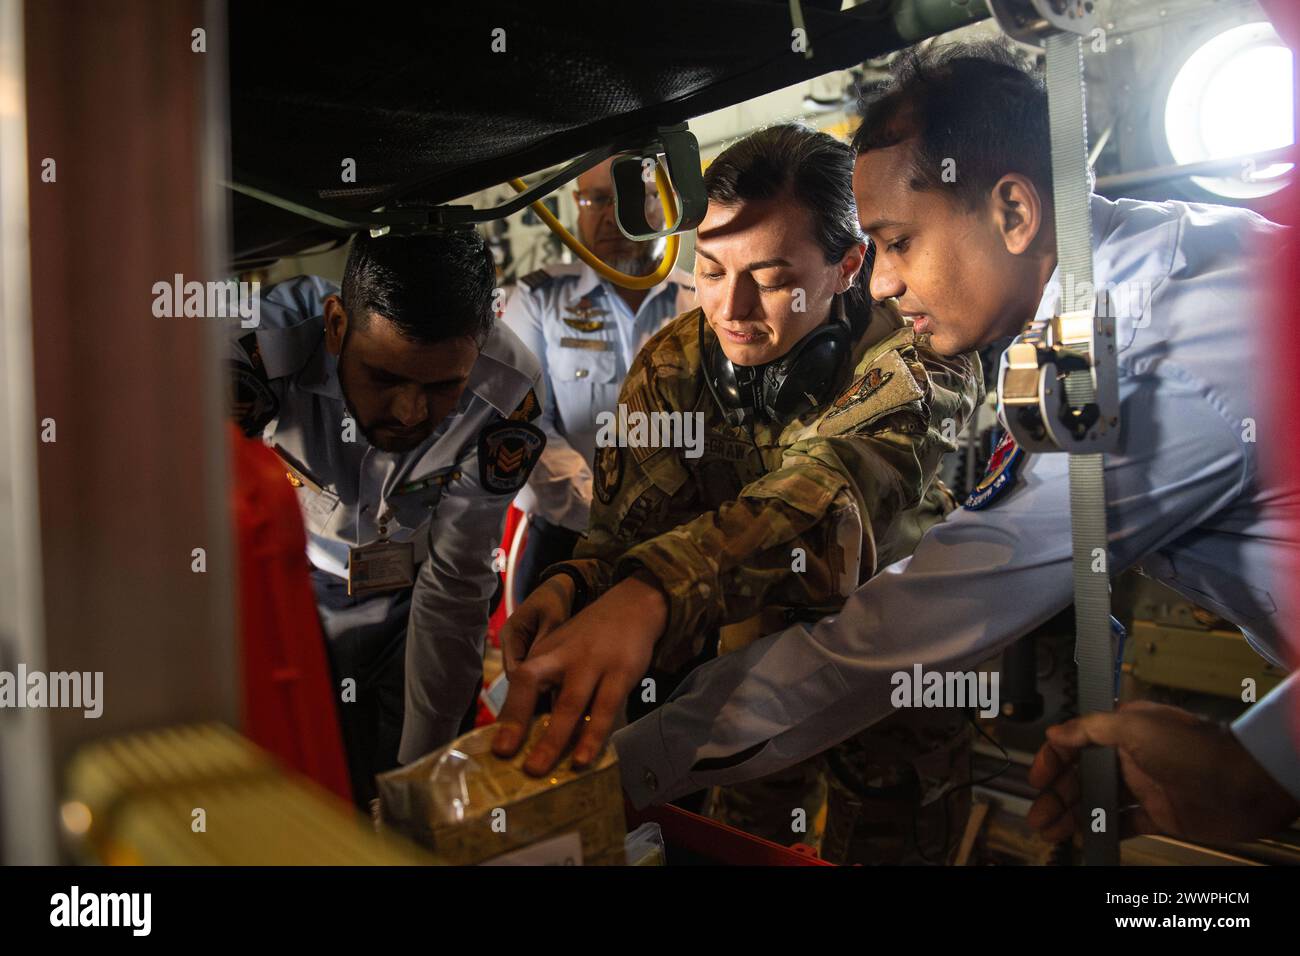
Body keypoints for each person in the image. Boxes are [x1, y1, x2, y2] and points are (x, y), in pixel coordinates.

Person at [512, 39, 1300, 847]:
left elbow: (922, 613)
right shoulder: (1141, 276)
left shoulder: (1139, 356)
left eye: (898, 243)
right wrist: (1262, 766)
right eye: (711, 272)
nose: (883, 282)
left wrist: (624, 766)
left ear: (1015, 213)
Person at [495, 124, 982, 860]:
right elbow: (626, 526)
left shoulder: (920, 350)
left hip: (900, 668)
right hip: (754, 664)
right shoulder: (678, 362)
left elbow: (823, 496)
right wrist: (576, 582)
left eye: (773, 275)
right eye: (713, 270)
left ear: (849, 265)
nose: (731, 309)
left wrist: (651, 592)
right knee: (741, 841)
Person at [228, 228, 545, 806]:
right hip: (297, 590)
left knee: (416, 788)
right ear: (335, 326)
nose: (409, 412)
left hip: (420, 593)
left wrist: (420, 780)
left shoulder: (508, 396)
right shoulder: (254, 357)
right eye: (384, 377)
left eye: (444, 387)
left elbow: (457, 578)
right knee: (305, 788)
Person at [503, 157, 695, 607]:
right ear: (576, 205)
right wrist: (611, 517)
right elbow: (524, 427)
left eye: (629, 198)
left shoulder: (702, 304)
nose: (610, 215)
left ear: (667, 204)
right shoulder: (537, 300)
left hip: (678, 542)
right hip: (564, 538)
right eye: (595, 199)